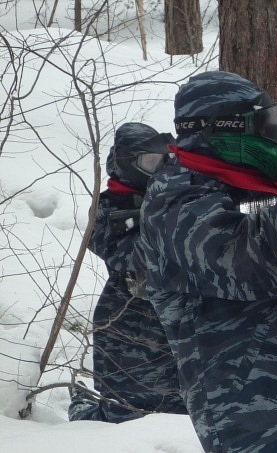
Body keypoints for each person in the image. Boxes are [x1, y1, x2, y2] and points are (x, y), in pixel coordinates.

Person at [139, 71, 277, 451]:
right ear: (220, 129)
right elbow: (252, 263)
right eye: (263, 124)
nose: (276, 135)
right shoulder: (174, 201)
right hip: (258, 423)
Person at [68, 122, 187, 423]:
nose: (160, 169)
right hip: (128, 323)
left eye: (165, 159)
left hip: (176, 320)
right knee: (122, 414)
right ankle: (82, 410)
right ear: (125, 163)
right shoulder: (107, 209)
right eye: (150, 162)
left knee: (183, 411)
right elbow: (133, 257)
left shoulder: (175, 194)